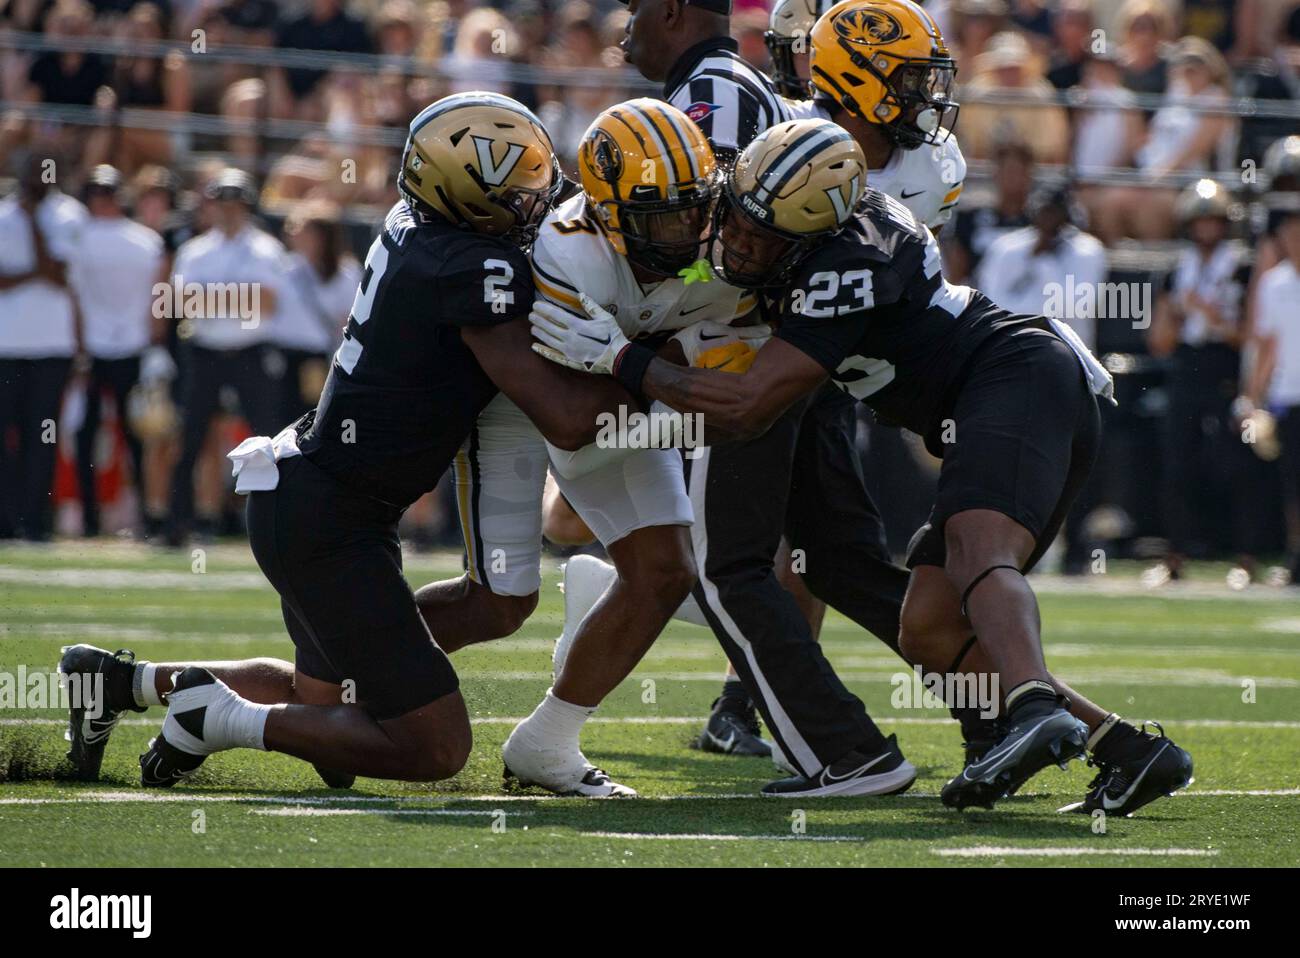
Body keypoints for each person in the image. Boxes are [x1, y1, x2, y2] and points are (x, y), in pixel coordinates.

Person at [531, 118, 1195, 815]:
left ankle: (1029, 706)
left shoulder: (847, 261)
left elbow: (749, 405)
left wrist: (619, 358)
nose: (744, 244)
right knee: (929, 627)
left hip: (1017, 381)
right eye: (743, 220)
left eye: (767, 239)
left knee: (977, 552)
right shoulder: (779, 212)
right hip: (988, 400)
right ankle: (1127, 748)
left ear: (814, 235)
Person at [57, 92, 627, 788]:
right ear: (463, 194)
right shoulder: (472, 266)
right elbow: (564, 417)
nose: (535, 202)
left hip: (314, 492)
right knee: (435, 748)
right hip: (327, 519)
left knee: (326, 696)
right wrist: (642, 366)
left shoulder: (414, 222)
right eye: (516, 192)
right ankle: (214, 717)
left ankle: (121, 682)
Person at [165, 168, 286, 546]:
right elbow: (178, 303)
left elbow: (267, 304)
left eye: (235, 204)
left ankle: (275, 522)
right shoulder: (195, 250)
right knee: (190, 439)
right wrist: (239, 296)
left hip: (250, 352)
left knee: (268, 439)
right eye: (223, 203)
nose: (228, 211)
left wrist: (211, 297)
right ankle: (179, 524)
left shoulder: (266, 248)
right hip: (205, 354)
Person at [1145, 179, 1253, 585]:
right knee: (1177, 462)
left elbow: (1248, 332)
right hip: (1186, 367)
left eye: (1213, 221)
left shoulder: (1241, 267)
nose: (1206, 230)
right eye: (1199, 222)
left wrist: (1211, 313)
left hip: (1226, 365)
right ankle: (1175, 554)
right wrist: (1175, 312)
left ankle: (1244, 555)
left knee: (1234, 461)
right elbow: (1159, 342)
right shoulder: (1177, 271)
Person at [67, 164, 166, 537]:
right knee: (133, 436)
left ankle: (93, 522)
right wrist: (155, 344)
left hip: (95, 348)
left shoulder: (79, 238)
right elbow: (158, 300)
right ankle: (141, 517)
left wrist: (77, 348)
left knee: (91, 437)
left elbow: (75, 299)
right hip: (131, 347)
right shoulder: (146, 240)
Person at [0, 152, 86, 542]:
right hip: (7, 346)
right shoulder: (3, 214)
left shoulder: (68, 215)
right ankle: (6, 519)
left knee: (43, 437)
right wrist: (33, 272)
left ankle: (36, 522)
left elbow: (57, 274)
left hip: (52, 346)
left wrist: (33, 222)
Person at [1242, 202, 1300, 582]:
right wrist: (1252, 397)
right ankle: (1296, 556)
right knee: (1292, 483)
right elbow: (1267, 346)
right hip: (1289, 395)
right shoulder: (1274, 282)